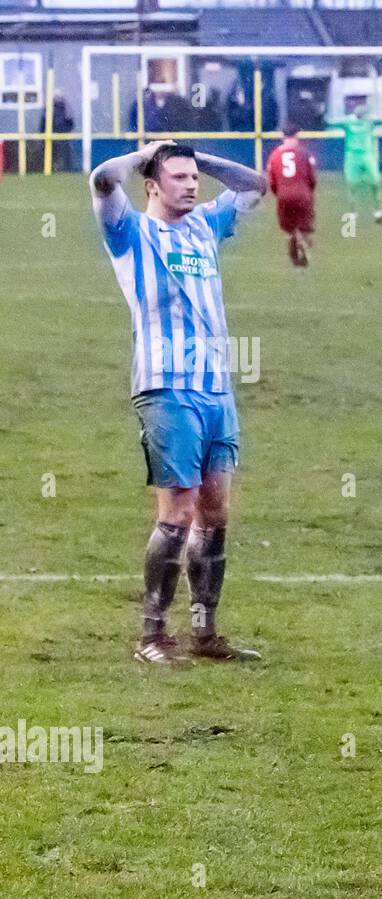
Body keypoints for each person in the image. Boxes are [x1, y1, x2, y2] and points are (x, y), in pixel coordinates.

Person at [88, 141, 267, 664]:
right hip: (166, 386)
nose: (192, 185)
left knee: (216, 512)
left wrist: (200, 158)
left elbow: (256, 185)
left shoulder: (204, 226)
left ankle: (206, 633)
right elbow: (102, 178)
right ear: (151, 185)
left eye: (195, 178)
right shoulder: (130, 233)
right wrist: (147, 151)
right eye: (179, 177)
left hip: (216, 387)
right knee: (178, 515)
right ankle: (151, 636)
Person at [326, 102, 382, 224]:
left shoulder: (370, 121)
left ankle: (378, 213)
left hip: (366, 156)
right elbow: (330, 122)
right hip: (352, 157)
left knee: (375, 182)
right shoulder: (348, 122)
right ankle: (352, 214)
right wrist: (325, 116)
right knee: (352, 185)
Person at [266, 123, 317, 269]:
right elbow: (312, 178)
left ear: (282, 136)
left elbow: (272, 180)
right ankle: (304, 248)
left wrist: (279, 193)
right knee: (306, 227)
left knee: (289, 229)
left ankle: (294, 243)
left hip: (284, 196)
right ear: (297, 136)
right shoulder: (304, 153)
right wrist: (309, 192)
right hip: (303, 195)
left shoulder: (274, 155)